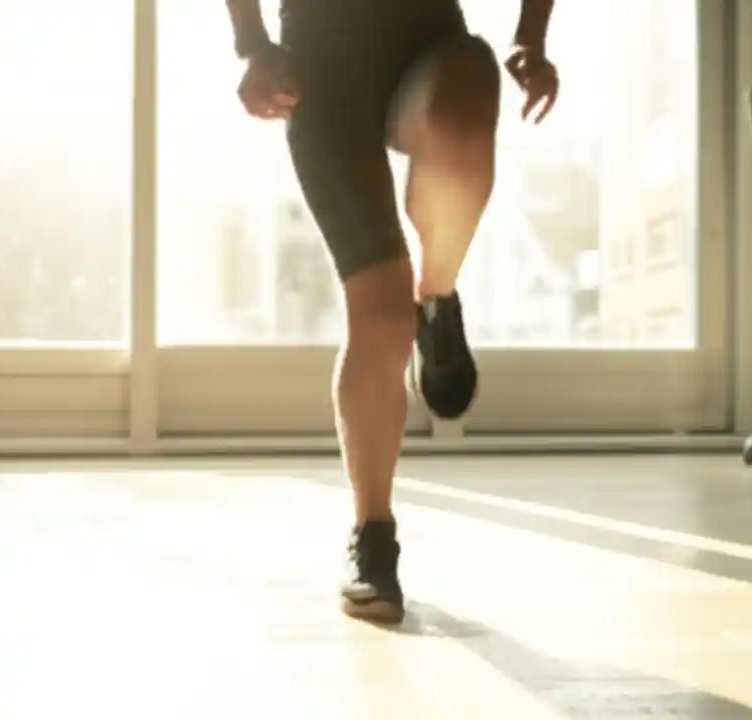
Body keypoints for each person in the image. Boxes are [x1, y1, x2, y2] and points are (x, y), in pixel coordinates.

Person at [225, 0, 558, 623]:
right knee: (380, 317)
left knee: (470, 78)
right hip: (321, 67)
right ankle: (373, 536)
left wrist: (531, 40)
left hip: (428, 41)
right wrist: (253, 44)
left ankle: (436, 297)